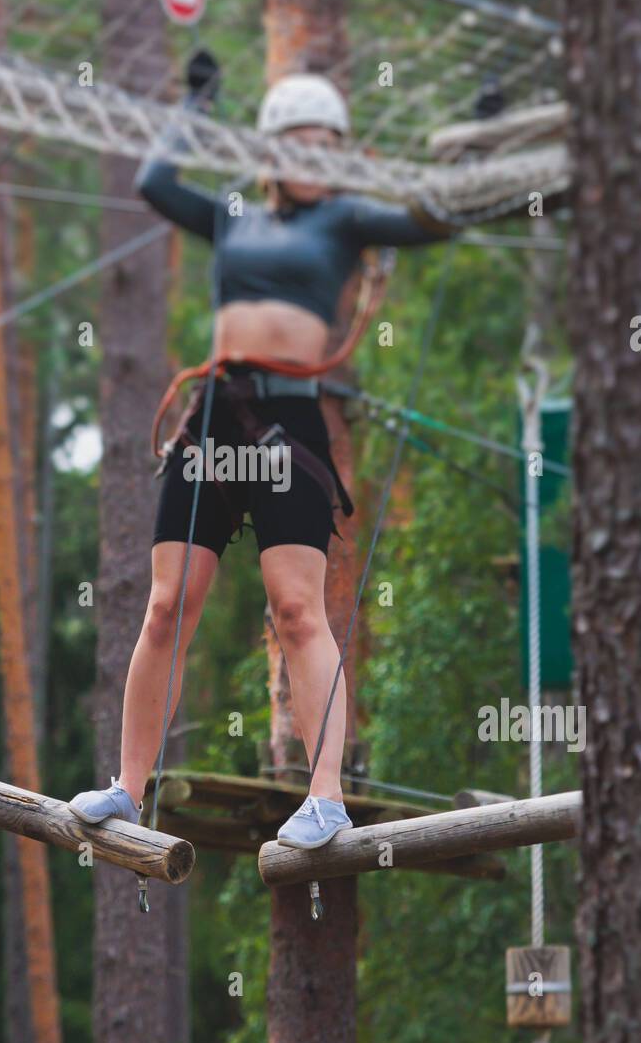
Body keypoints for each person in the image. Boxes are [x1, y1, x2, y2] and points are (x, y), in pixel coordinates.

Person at [69, 64, 455, 849]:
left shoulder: (348, 222)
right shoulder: (235, 215)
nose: (312, 156)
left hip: (284, 427)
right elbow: (154, 180)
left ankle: (325, 798)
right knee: (167, 606)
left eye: (325, 145)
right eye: (298, 144)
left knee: (297, 611)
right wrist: (195, 102)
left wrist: (479, 149)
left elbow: (435, 218)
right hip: (212, 418)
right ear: (271, 153)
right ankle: (126, 788)